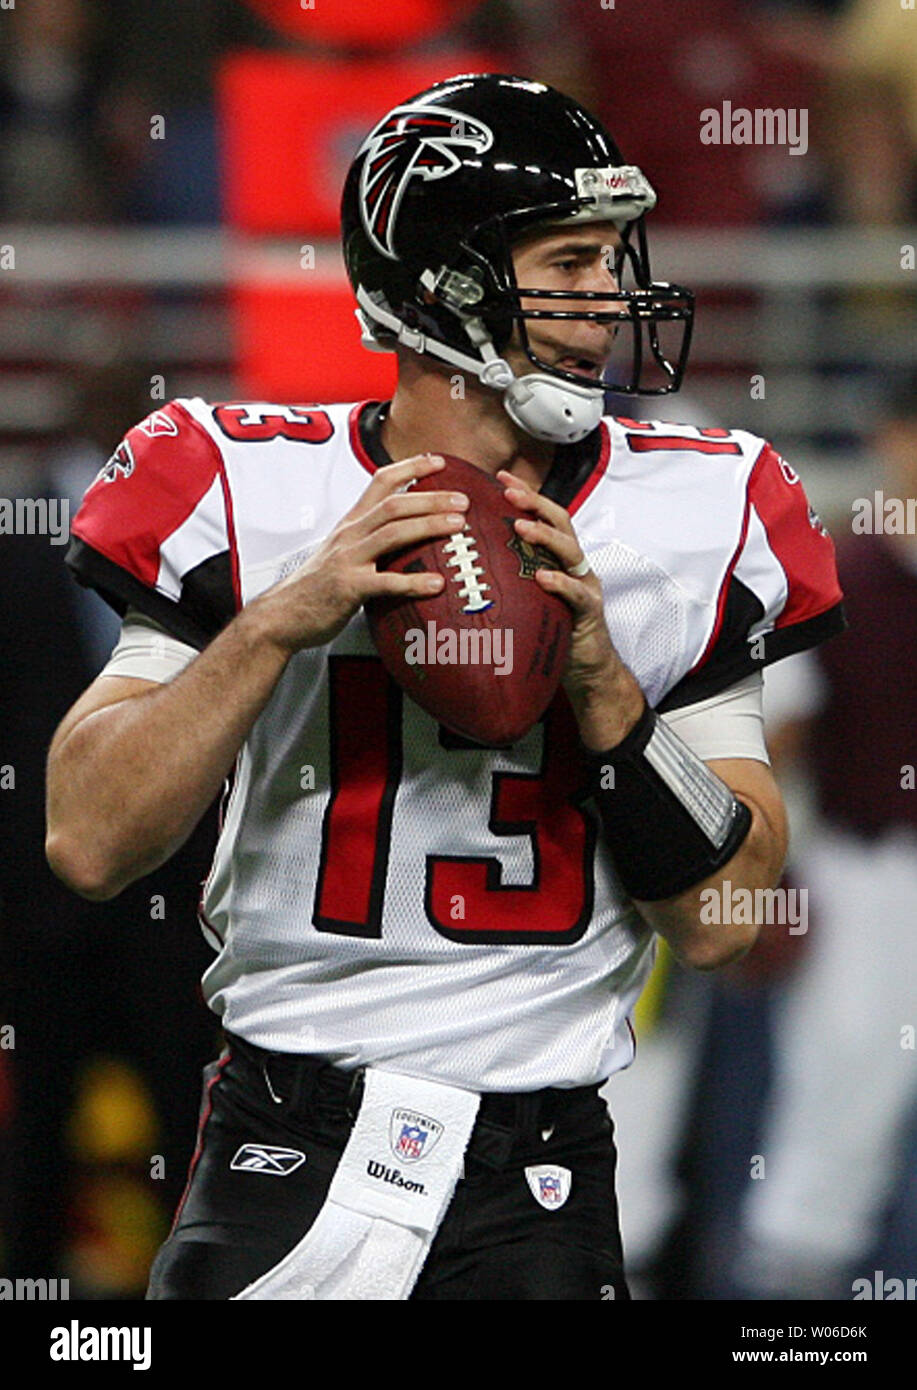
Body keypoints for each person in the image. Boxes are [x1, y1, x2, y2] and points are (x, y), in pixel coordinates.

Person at [46, 73, 845, 1301]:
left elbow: (724, 920)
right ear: (444, 282)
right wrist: (279, 625)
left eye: (607, 256)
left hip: (541, 1169)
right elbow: (88, 839)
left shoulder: (694, 508)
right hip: (286, 1131)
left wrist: (606, 693)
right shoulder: (246, 485)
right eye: (568, 259)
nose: (606, 296)